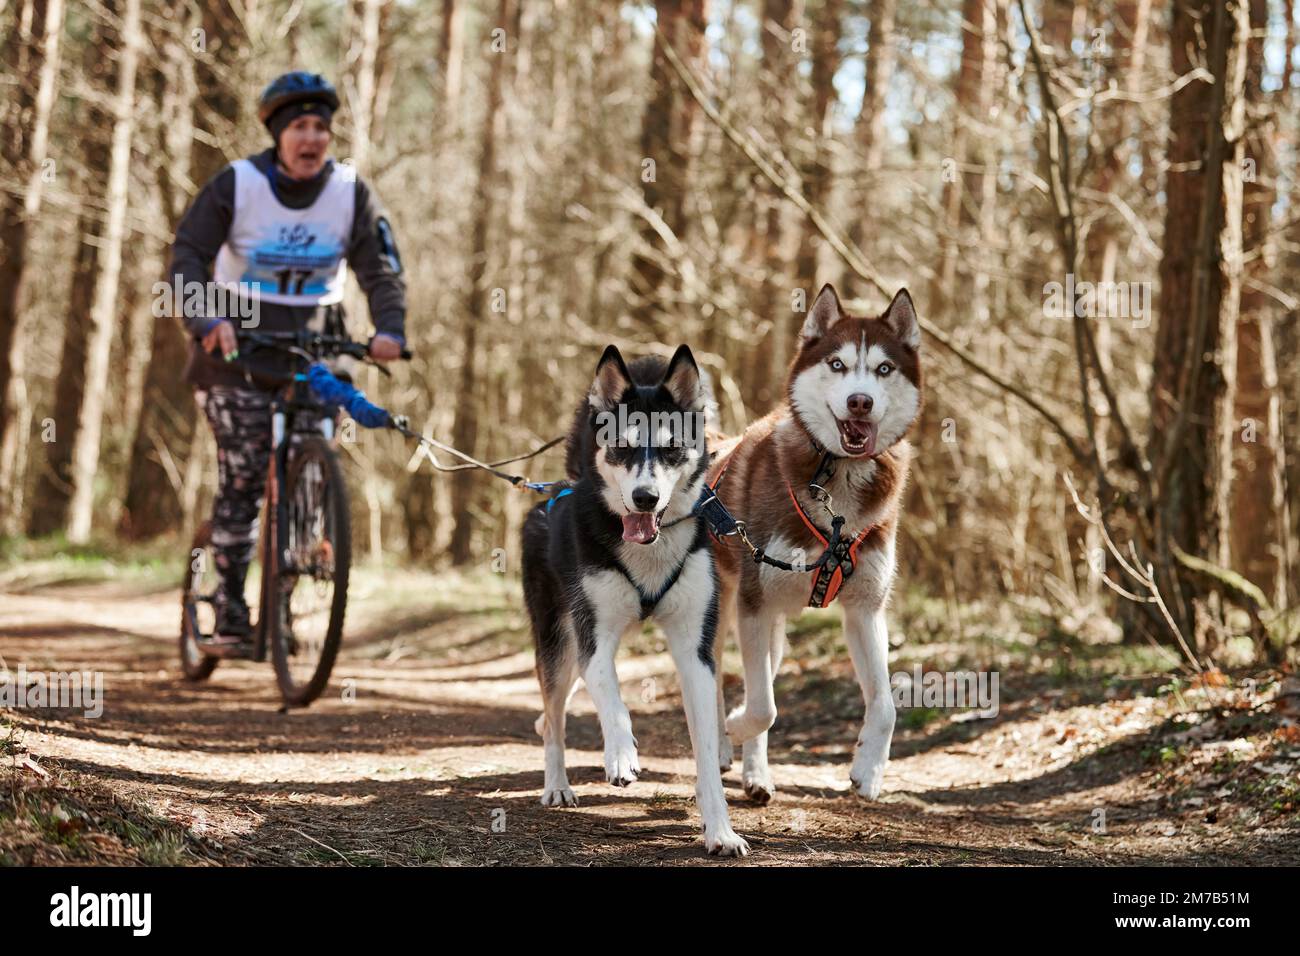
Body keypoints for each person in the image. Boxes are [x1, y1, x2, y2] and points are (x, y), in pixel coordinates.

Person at [169, 71, 407, 643]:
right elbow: (187, 258)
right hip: (235, 355)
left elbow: (381, 270)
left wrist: (389, 329)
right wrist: (206, 321)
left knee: (309, 471)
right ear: (278, 134)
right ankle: (228, 606)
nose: (312, 138)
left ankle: (288, 589)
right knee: (246, 477)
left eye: (321, 127)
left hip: (316, 352)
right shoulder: (237, 185)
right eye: (299, 126)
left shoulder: (351, 193)